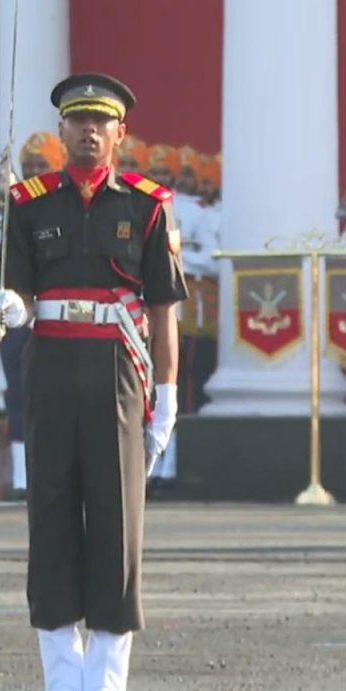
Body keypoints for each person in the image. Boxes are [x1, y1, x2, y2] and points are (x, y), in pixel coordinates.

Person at [0, 72, 186, 691]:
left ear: (121, 133)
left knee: (118, 528)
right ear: (61, 131)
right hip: (52, 370)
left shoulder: (147, 206)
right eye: (77, 121)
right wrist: (8, 306)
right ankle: (62, 688)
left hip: (119, 371)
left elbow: (163, 310)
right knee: (53, 522)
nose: (89, 131)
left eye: (101, 122)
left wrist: (168, 396)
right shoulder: (29, 204)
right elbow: (20, 294)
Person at [0, 132, 69, 500]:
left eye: (41, 165)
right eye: (28, 165)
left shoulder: (67, 207)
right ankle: (22, 478)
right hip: (18, 321)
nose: (33, 172)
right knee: (18, 395)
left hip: (58, 317)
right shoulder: (12, 211)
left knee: (60, 399)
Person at [147, 149, 221, 496]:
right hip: (143, 309)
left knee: (181, 385)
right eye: (155, 170)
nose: (160, 177)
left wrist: (172, 258)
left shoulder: (198, 212)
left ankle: (171, 462)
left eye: (167, 171)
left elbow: (212, 258)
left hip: (184, 309)